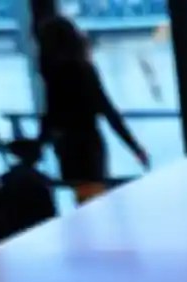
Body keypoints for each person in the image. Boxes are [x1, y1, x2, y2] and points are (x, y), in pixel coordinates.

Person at [35, 15, 150, 204]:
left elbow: (50, 117)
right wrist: (135, 147)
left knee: (82, 200)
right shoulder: (84, 71)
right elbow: (108, 111)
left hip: (67, 150)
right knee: (94, 201)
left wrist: (38, 147)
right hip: (89, 149)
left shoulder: (53, 76)